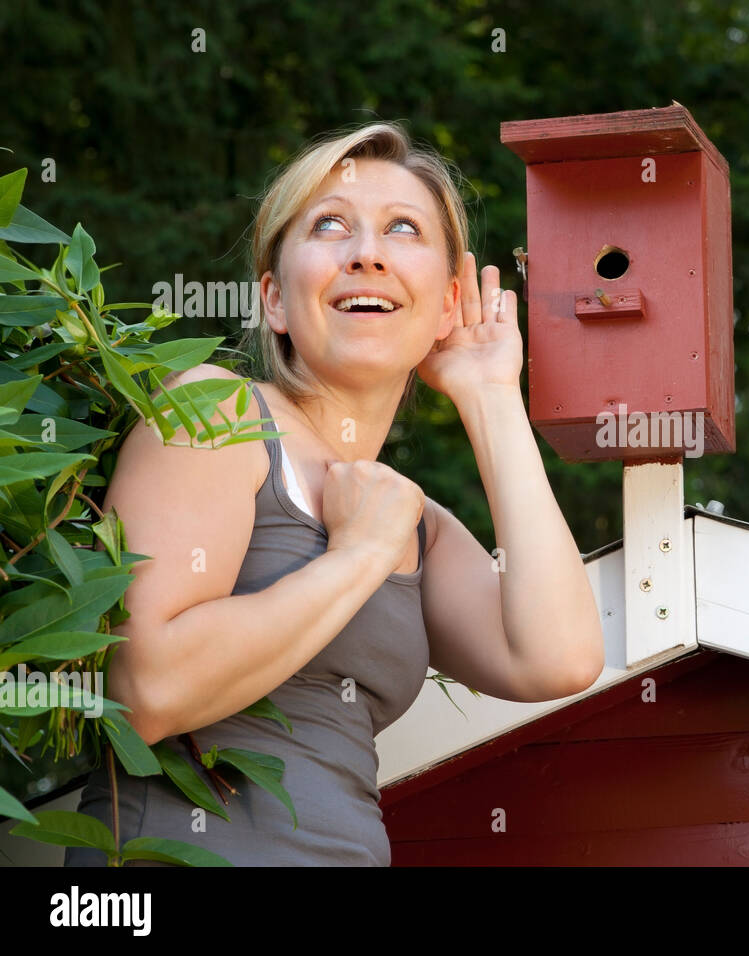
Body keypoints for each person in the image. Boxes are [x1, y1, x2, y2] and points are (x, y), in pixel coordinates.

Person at [64, 122, 606, 866]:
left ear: (448, 305)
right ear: (275, 300)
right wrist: (357, 558)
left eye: (402, 229)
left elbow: (560, 658)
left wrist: (489, 396)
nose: (368, 253)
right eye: (330, 226)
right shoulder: (214, 412)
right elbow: (145, 692)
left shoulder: (414, 523)